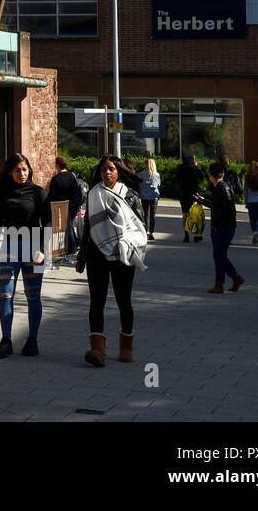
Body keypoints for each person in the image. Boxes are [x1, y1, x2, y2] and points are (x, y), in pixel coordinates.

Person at [76, 155, 147, 367]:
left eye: (112, 169)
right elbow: (89, 226)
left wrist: (130, 245)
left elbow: (139, 227)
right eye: (104, 169)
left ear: (119, 172)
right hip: (97, 254)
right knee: (96, 301)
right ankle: (97, 349)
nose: (107, 172)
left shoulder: (130, 195)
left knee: (123, 300)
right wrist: (82, 255)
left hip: (122, 254)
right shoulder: (94, 194)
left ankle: (126, 346)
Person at [0, 153, 48, 358]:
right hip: (9, 250)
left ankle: (32, 339)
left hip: (33, 250)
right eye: (17, 170)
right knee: (6, 294)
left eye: (25, 169)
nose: (22, 173)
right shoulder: (4, 194)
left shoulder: (38, 193)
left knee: (33, 296)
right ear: (10, 172)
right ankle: (6, 340)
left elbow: (47, 223)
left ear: (29, 170)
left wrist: (42, 249)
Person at [206, 161, 245, 293]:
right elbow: (219, 206)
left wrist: (219, 225)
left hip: (223, 228)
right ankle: (235, 278)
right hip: (222, 227)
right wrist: (203, 201)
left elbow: (229, 209)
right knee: (220, 256)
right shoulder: (220, 187)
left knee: (218, 256)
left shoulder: (222, 188)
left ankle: (219, 284)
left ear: (210, 175)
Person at [47, 157, 85, 257]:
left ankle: (72, 248)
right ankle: (74, 244)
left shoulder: (55, 179)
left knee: (67, 226)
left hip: (61, 205)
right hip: (73, 204)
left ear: (57, 165)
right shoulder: (72, 176)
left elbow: (52, 195)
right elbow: (76, 191)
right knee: (69, 225)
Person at [174, 155, 205, 243]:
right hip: (194, 194)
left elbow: (177, 179)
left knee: (185, 214)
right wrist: (196, 166)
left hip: (183, 193)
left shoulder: (179, 168)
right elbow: (202, 177)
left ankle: (186, 235)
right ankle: (196, 235)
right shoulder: (193, 168)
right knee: (196, 214)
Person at [137, 157, 161, 240]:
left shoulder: (141, 174)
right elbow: (158, 185)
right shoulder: (157, 175)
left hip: (144, 196)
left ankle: (145, 232)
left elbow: (139, 185)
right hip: (154, 197)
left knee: (145, 215)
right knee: (152, 216)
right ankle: (151, 233)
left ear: (146, 165)